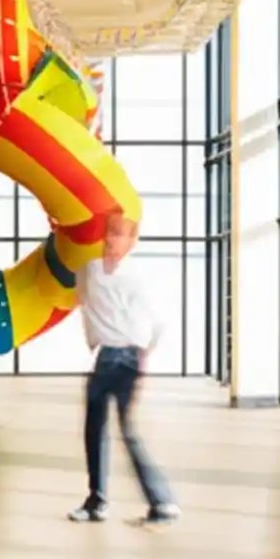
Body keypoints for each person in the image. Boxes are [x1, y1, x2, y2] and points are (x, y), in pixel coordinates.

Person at [68, 214, 179, 527]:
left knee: (114, 430)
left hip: (124, 358)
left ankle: (114, 502)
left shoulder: (133, 278)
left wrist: (141, 354)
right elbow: (77, 282)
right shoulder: (91, 270)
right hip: (107, 357)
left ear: (132, 242)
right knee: (103, 429)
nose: (110, 240)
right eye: (109, 233)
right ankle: (154, 501)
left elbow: (157, 323)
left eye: (119, 235)